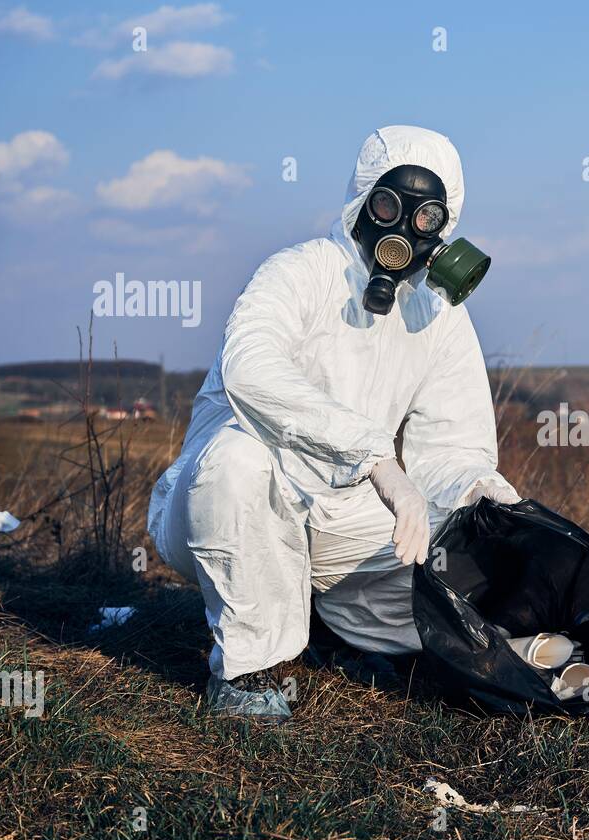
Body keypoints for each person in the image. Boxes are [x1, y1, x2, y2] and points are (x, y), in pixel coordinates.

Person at [147, 126, 519, 721]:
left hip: (341, 514)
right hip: (230, 499)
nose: (404, 229)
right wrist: (376, 459)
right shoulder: (298, 273)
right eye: (389, 206)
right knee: (239, 460)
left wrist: (483, 497)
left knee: (463, 548)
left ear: (446, 229)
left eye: (427, 217)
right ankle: (248, 669)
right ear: (362, 199)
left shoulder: (437, 313)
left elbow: (452, 447)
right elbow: (250, 368)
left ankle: (339, 630)